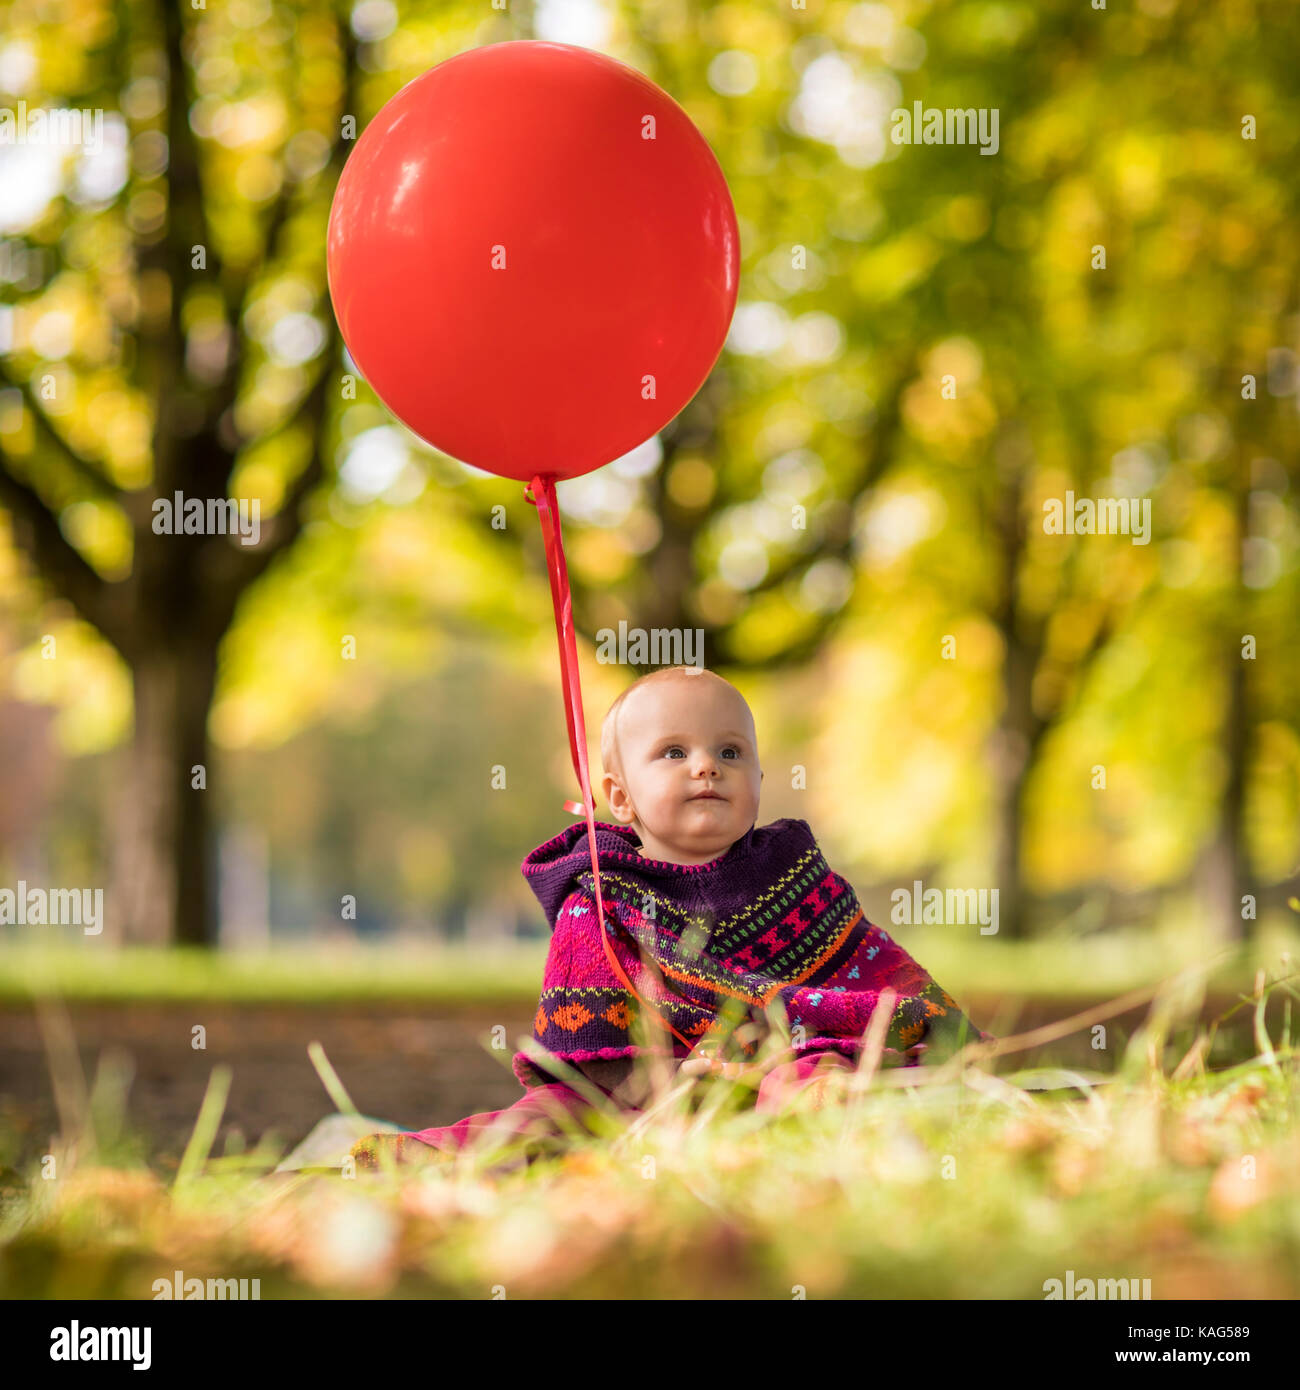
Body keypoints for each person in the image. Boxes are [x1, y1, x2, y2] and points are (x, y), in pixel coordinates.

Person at [350, 665, 991, 1171]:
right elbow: (590, 1036)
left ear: (761, 779)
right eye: (673, 751)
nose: (706, 765)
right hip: (642, 1087)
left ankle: (840, 1133)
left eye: (731, 753)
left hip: (777, 1055)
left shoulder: (792, 875)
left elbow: (860, 977)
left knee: (816, 1071)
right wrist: (657, 1085)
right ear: (621, 796)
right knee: (551, 1114)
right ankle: (445, 1156)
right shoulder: (599, 893)